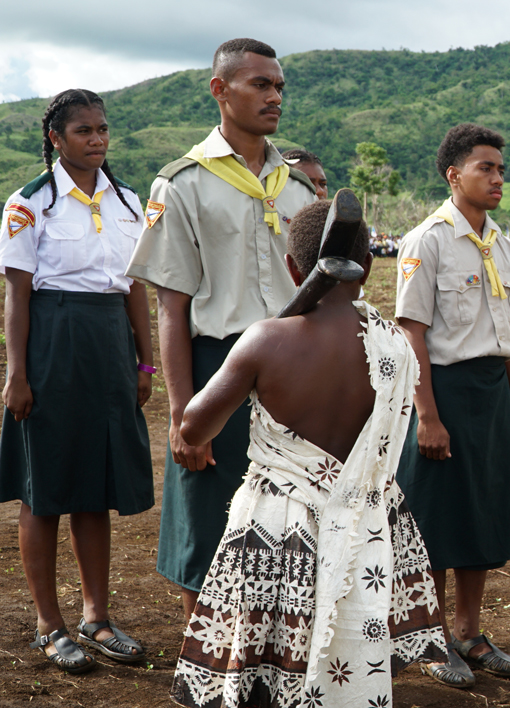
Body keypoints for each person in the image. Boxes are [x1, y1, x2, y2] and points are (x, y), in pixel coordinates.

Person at [169, 196, 447, 707]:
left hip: (277, 533)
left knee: (262, 675)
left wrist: (256, 354)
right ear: (367, 265)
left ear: (294, 268)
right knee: (343, 671)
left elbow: (193, 427)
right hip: (366, 532)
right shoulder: (397, 349)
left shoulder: (267, 340)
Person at [125, 38, 319, 621]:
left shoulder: (300, 188)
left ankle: (273, 658)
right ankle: (205, 663)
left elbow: (315, 298)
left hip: (293, 373)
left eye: (279, 86)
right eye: (260, 84)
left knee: (292, 519)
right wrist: (186, 415)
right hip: (218, 366)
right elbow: (172, 305)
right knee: (211, 518)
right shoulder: (183, 184)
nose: (274, 96)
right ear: (220, 89)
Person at [0, 89, 154, 674]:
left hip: (110, 346)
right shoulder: (29, 203)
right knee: (44, 492)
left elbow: (135, 287)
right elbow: (16, 295)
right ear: (56, 140)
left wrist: (143, 363)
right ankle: (50, 624)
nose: (97, 139)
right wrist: (17, 374)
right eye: (84, 131)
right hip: (53, 348)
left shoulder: (127, 201)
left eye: (103, 129)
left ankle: (97, 617)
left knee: (96, 485)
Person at [394, 123, 510, 688]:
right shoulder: (426, 240)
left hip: (490, 394)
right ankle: (429, 637)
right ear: (454, 175)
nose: (498, 178)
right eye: (485, 168)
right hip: (442, 391)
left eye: (500, 168)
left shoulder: (500, 240)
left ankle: (470, 634)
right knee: (435, 522)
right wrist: (427, 415)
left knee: (481, 514)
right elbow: (411, 332)